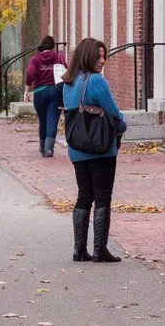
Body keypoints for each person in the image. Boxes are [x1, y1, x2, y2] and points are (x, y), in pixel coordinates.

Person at [62, 37, 127, 263]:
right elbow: (114, 113)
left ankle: (79, 250)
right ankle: (100, 249)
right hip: (100, 149)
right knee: (102, 198)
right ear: (88, 57)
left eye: (104, 56)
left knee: (83, 196)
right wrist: (122, 126)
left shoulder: (68, 82)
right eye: (99, 56)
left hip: (77, 149)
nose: (103, 61)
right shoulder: (96, 81)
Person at [24, 36, 68, 157]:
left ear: (42, 45)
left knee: (42, 120)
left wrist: (27, 90)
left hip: (39, 93)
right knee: (52, 119)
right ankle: (49, 149)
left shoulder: (35, 59)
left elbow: (30, 74)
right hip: (56, 92)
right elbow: (67, 72)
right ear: (53, 46)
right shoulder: (59, 57)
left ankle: (43, 147)